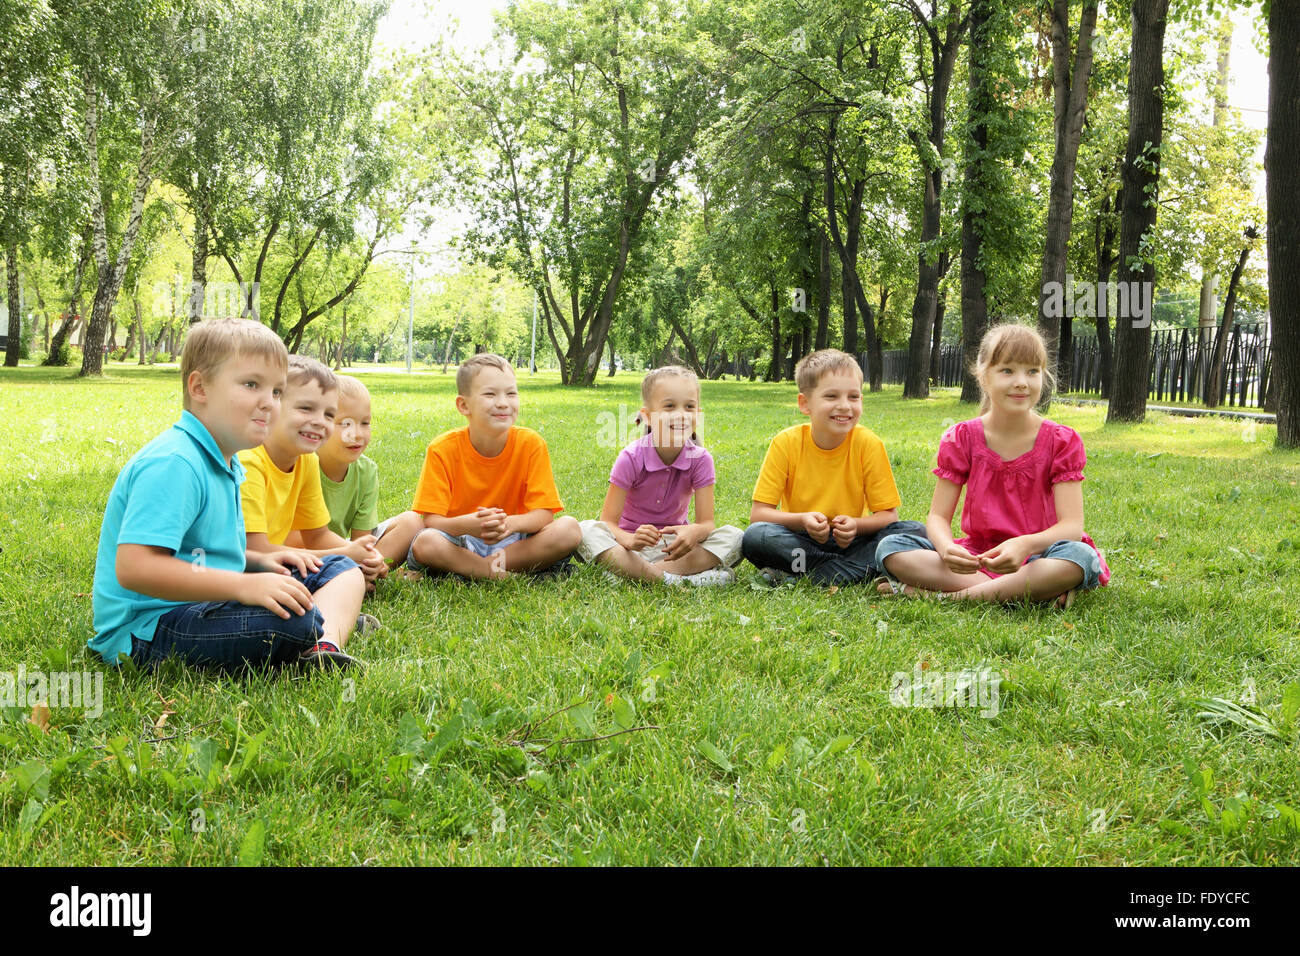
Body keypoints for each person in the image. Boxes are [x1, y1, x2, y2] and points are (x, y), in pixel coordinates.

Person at [88, 318, 366, 672]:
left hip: (209, 601)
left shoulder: (226, 460)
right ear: (200, 387)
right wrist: (241, 585)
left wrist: (256, 563)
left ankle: (320, 643)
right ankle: (316, 622)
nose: (269, 403)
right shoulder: (176, 462)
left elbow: (205, 556)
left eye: (277, 392)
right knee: (287, 621)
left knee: (340, 567)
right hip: (148, 629)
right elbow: (135, 568)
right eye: (252, 384)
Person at [874, 323, 1110, 606]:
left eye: (1032, 371)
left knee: (1080, 558)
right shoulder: (961, 437)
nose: (1022, 381)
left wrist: (1024, 544)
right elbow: (937, 517)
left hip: (1039, 554)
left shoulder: (1061, 440)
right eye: (1007, 370)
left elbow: (1071, 526)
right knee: (891, 548)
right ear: (983, 376)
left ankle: (947, 598)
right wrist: (947, 548)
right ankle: (1028, 592)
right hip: (978, 556)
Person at [742, 349, 926, 585]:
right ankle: (852, 572)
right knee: (756, 537)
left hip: (853, 541)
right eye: (831, 396)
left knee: (915, 531)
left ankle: (808, 577)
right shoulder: (786, 442)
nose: (844, 406)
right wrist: (803, 520)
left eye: (853, 396)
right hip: (802, 541)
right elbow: (759, 515)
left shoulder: (868, 443)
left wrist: (856, 525)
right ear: (805, 403)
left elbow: (888, 517)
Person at [405, 353, 581, 579]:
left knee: (569, 529)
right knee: (426, 542)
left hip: (513, 544)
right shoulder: (441, 449)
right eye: (490, 394)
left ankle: (476, 569)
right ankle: (493, 573)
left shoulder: (532, 444)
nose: (502, 402)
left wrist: (509, 524)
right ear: (463, 405)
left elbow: (544, 514)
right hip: (459, 541)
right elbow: (431, 521)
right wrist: (469, 525)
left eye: (511, 393)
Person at [577, 365, 742, 585]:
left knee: (736, 536)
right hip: (630, 547)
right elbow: (608, 522)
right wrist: (630, 539)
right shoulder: (631, 457)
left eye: (689, 406)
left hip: (675, 549)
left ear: (698, 414)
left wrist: (693, 532)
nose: (681, 415)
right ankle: (675, 580)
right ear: (647, 416)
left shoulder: (701, 459)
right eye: (669, 406)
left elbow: (706, 524)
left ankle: (634, 576)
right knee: (585, 530)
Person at [299, 374, 424, 578]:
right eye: (345, 423)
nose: (357, 434)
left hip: (344, 548)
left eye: (365, 423)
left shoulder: (366, 470)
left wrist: (370, 558)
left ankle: (366, 572)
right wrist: (353, 555)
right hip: (306, 552)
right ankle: (353, 574)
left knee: (412, 522)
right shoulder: (302, 463)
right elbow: (297, 542)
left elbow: (361, 539)